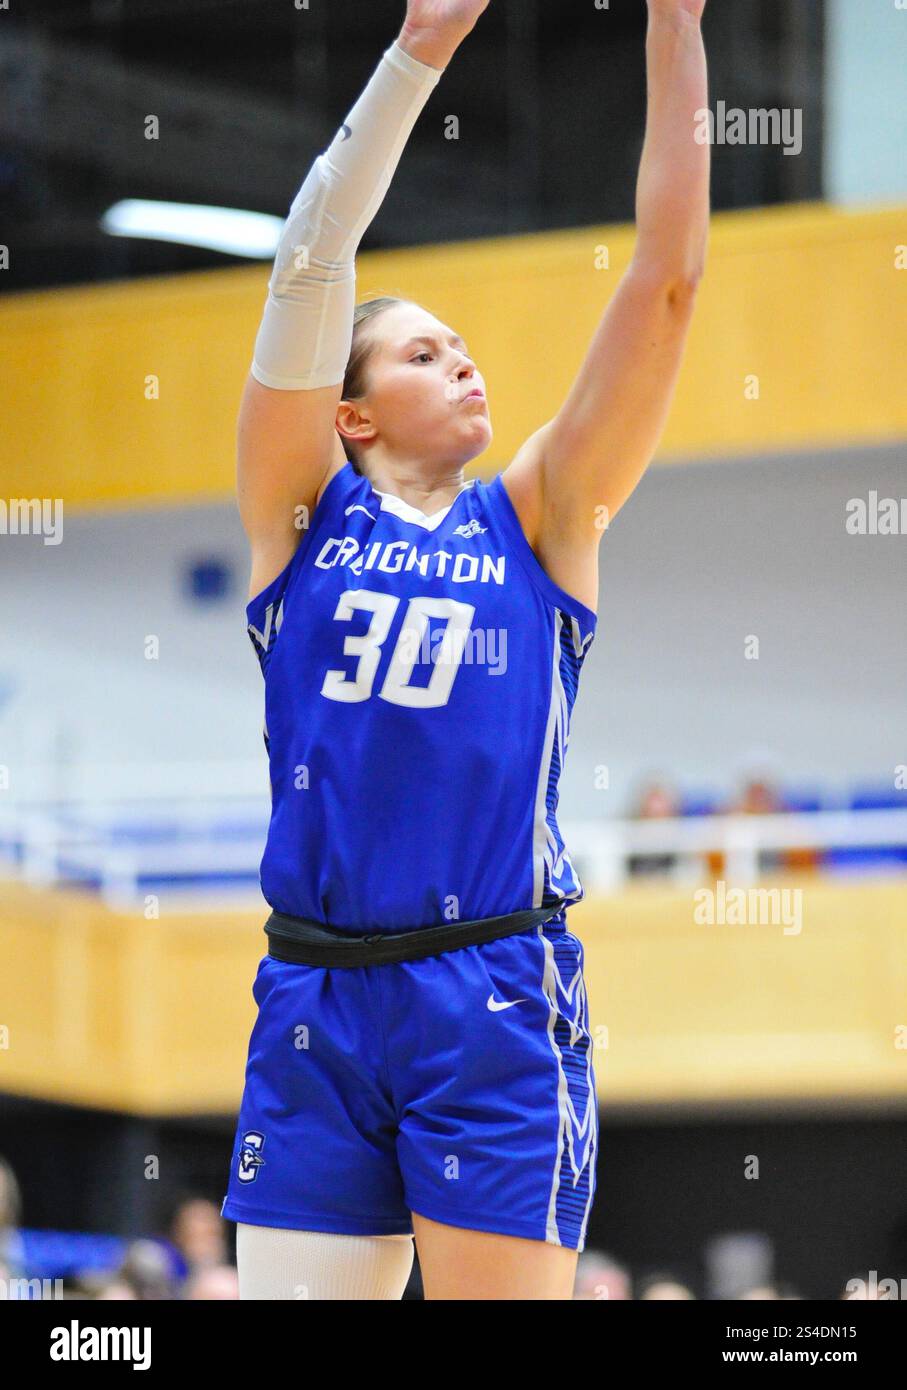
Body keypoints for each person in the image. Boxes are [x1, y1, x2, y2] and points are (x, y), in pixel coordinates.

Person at [221, 0, 710, 1300]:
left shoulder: (543, 512)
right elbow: (313, 251)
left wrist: (676, 29)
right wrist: (419, 48)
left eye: (467, 344)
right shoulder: (299, 514)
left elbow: (667, 279)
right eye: (426, 352)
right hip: (316, 995)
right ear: (353, 413)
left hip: (489, 990)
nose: (467, 361)